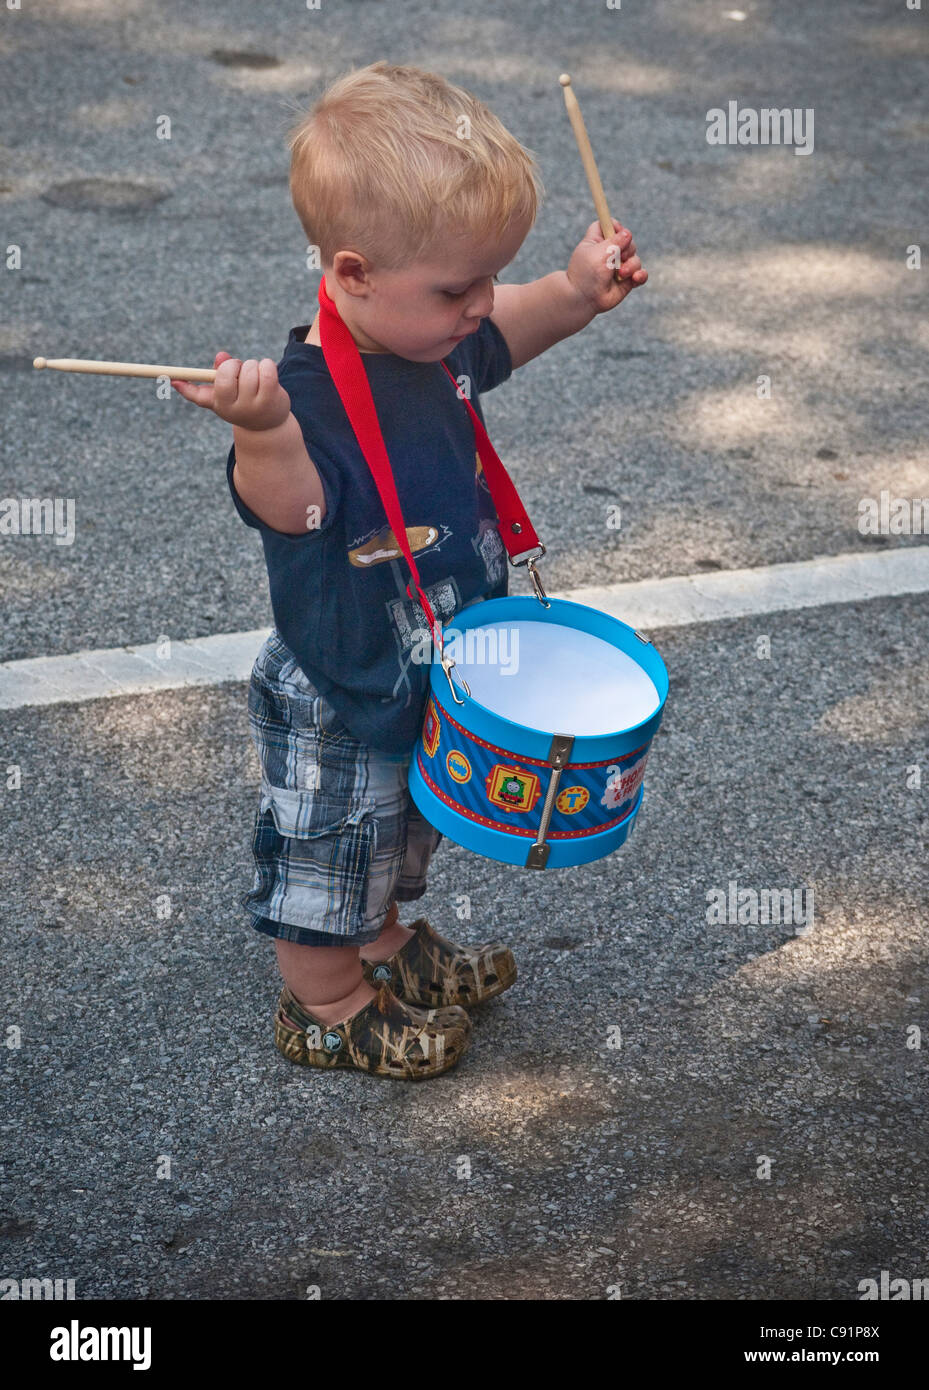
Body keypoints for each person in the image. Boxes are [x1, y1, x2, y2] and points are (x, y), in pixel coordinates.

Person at [172, 61, 647, 1081]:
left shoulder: (434, 340)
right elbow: (287, 508)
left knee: (399, 824)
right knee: (330, 840)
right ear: (349, 273)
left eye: (487, 278)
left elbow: (506, 331)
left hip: (424, 651)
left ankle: (382, 942)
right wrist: (260, 430)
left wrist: (570, 292)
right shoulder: (305, 396)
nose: (481, 304)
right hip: (340, 674)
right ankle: (328, 1003)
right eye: (456, 287)